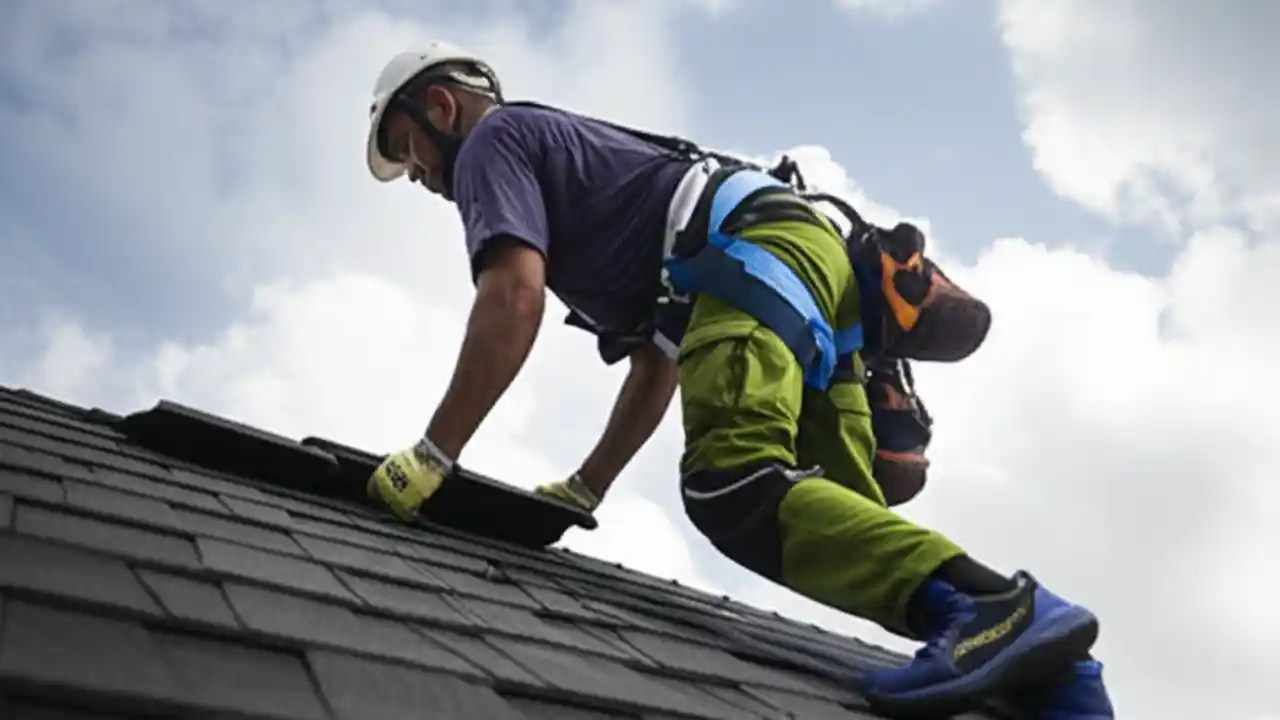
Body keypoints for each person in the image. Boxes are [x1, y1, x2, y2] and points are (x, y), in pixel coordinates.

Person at [361, 41, 1114, 719]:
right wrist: (585, 487)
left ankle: (1004, 609)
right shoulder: (591, 192)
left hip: (752, 259)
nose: (423, 179)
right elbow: (661, 360)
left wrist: (433, 454)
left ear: (440, 107)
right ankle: (1059, 675)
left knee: (736, 486)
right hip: (806, 267)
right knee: (843, 526)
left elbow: (511, 298)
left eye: (410, 152)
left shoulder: (495, 140)